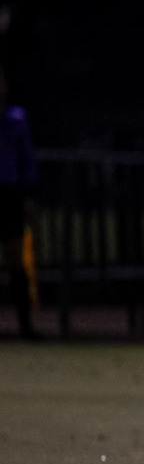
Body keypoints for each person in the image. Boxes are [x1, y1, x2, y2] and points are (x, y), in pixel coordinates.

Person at [0, 67, 38, 339]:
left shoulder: (15, 119)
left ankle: (25, 325)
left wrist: (29, 197)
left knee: (15, 260)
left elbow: (26, 160)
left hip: (9, 193)